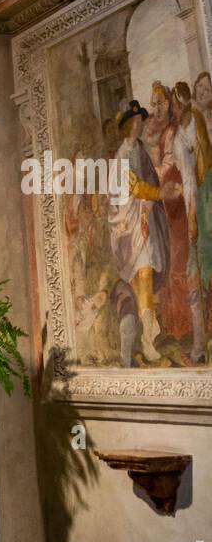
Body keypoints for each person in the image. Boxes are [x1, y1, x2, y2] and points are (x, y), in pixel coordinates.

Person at [108, 100, 169, 364]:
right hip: (129, 222)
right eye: (136, 121)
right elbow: (133, 187)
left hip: (145, 217)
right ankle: (143, 338)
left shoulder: (141, 149)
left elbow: (151, 178)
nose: (139, 124)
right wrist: (157, 194)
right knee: (139, 278)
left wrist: (155, 198)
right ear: (128, 126)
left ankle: (147, 338)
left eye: (140, 120)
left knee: (146, 275)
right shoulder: (121, 155)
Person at [143, 82, 190, 343]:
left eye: (160, 102)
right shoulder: (158, 134)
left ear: (169, 103)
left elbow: (170, 162)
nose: (157, 107)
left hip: (175, 201)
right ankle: (176, 327)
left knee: (178, 260)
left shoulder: (172, 132)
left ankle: (185, 326)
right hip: (165, 203)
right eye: (153, 103)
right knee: (170, 261)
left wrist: (153, 180)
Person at [172, 81, 212, 363]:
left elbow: (201, 168)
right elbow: (185, 179)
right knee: (194, 281)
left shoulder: (197, 123)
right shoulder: (177, 138)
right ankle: (199, 348)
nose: (175, 109)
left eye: (176, 103)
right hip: (193, 211)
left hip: (206, 204)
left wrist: (198, 213)